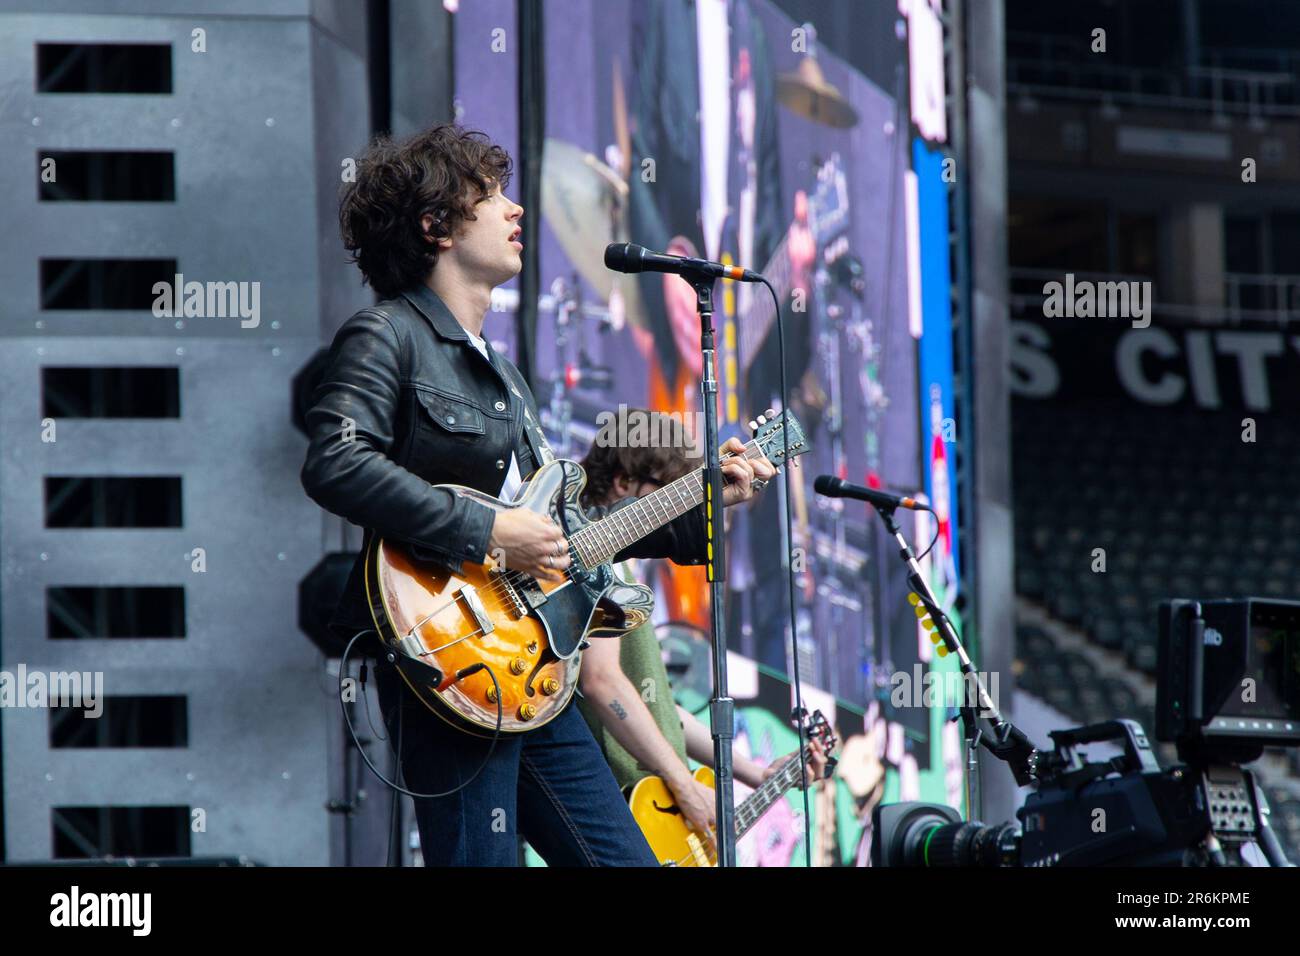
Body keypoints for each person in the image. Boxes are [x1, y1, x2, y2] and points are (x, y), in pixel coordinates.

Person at [300, 124, 774, 867]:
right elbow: (334, 461)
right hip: (452, 659)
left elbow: (569, 534)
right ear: (436, 227)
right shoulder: (386, 335)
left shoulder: (506, 378)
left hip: (535, 672)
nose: (517, 210)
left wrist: (705, 500)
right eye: (491, 196)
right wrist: (487, 531)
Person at [575, 408, 827, 848]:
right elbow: (601, 683)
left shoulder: (623, 575)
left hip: (647, 800)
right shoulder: (589, 564)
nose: (684, 517)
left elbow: (659, 709)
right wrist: (686, 787)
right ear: (623, 485)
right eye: (673, 497)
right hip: (618, 801)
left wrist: (757, 773)